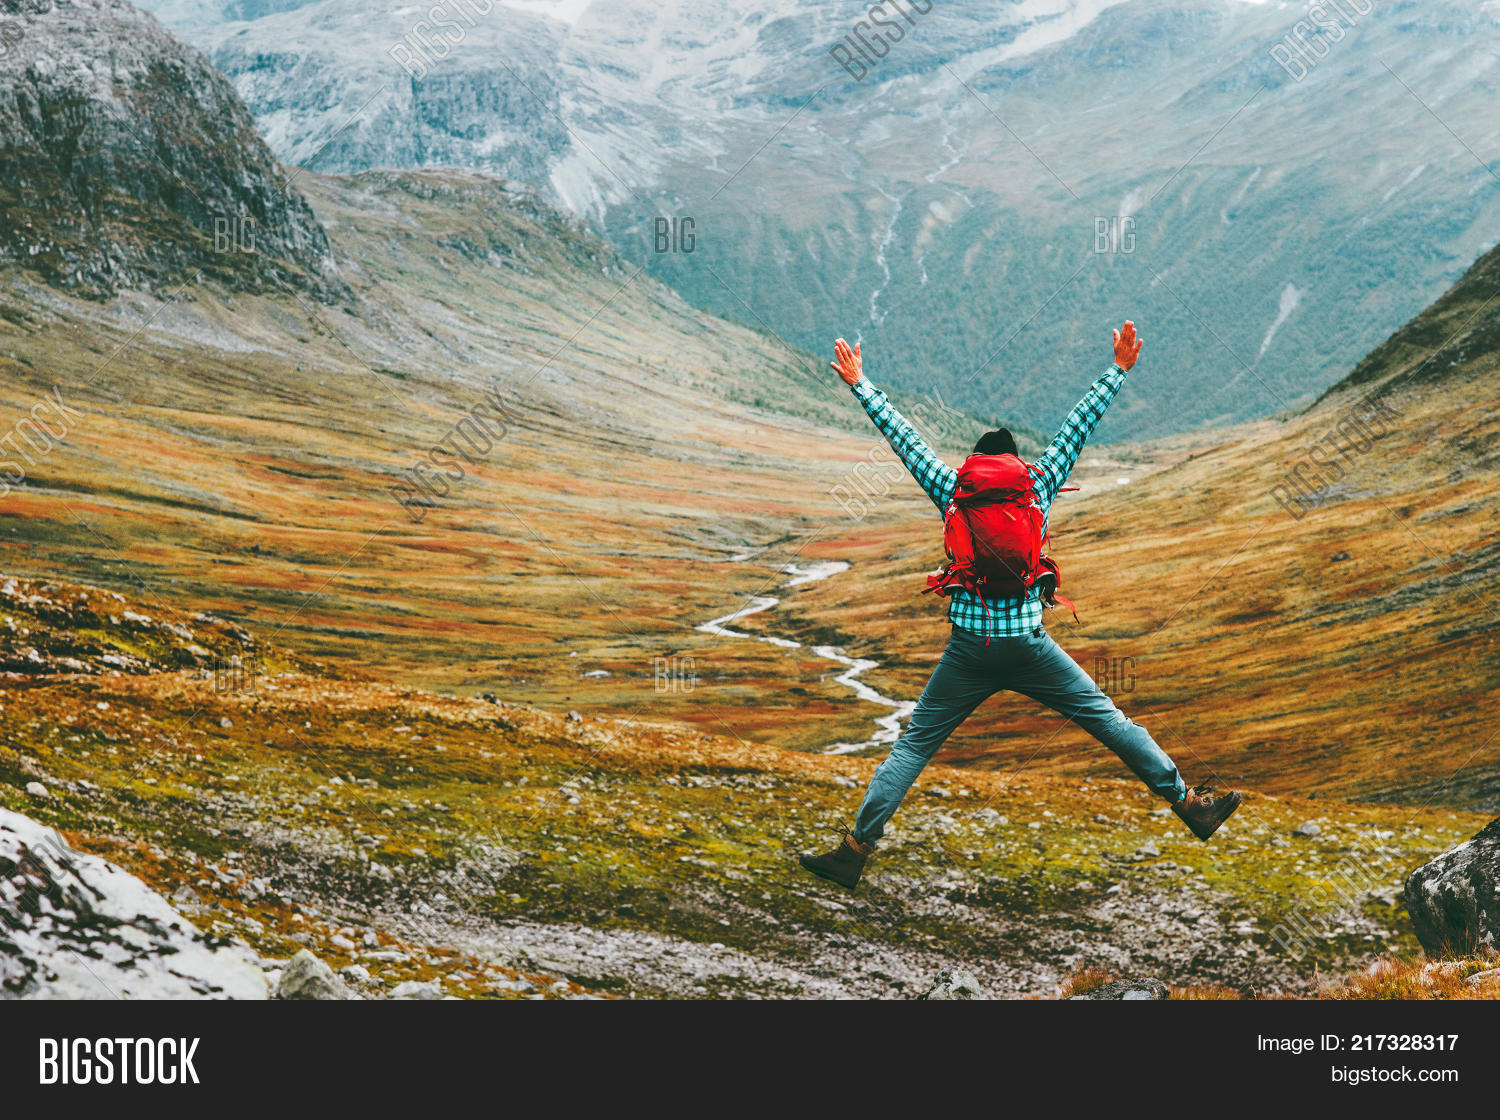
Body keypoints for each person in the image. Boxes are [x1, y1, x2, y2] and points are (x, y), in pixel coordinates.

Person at [800, 322, 1241, 890]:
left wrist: (862, 384)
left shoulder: (952, 488)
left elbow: (902, 438)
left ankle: (855, 851)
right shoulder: (1038, 485)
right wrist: (1119, 370)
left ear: (976, 464)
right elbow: (1078, 425)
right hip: (1031, 647)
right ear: (1013, 462)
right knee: (1108, 720)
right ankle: (1187, 804)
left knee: (911, 749)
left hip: (968, 654)